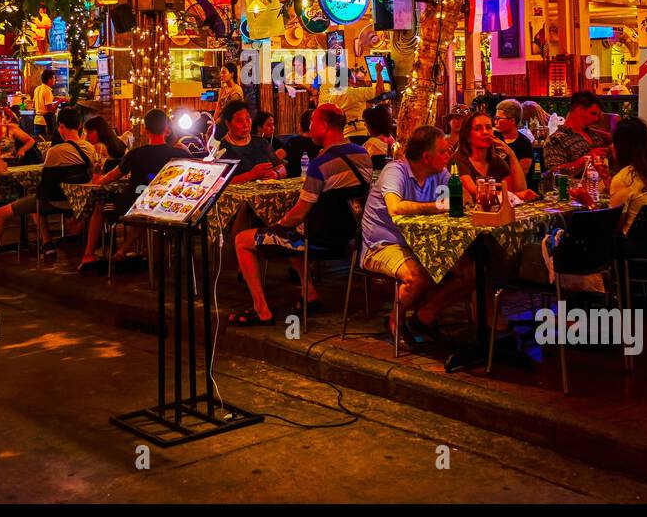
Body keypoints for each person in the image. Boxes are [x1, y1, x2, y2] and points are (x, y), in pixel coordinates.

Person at [229, 104, 372, 325]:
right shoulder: (362, 154)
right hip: (350, 235)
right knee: (291, 230)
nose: (310, 127)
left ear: (323, 126)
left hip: (318, 240)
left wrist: (276, 225)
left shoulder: (320, 164)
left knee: (243, 240)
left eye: (313, 122)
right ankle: (309, 292)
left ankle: (261, 310)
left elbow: (298, 213)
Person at [359, 125, 474, 348]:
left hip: (423, 243)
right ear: (426, 157)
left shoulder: (439, 173)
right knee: (418, 276)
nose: (448, 155)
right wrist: (438, 206)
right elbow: (395, 207)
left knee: (469, 273)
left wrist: (463, 194)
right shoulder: (396, 171)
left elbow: (465, 199)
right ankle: (395, 323)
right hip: (382, 245)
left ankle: (423, 318)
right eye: (443, 151)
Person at [0, 108, 98, 271]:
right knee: (34, 197)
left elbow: (46, 182)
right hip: (78, 201)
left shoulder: (55, 151)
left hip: (54, 201)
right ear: (80, 125)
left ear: (60, 126)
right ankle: (47, 242)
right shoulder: (90, 148)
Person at [78, 109, 187, 269]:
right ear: (166, 129)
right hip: (169, 206)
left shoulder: (135, 154)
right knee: (148, 209)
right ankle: (133, 252)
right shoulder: (179, 153)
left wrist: (97, 181)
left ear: (145, 130)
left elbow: (112, 176)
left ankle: (89, 255)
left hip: (134, 204)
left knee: (101, 206)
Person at [454, 112, 535, 204]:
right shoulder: (459, 159)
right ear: (468, 137)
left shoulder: (495, 160)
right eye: (478, 129)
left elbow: (520, 188)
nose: (485, 132)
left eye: (488, 127)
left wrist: (512, 155)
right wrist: (515, 195)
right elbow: (475, 191)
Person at [543, 91, 611, 179]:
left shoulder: (593, 134)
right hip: (575, 189)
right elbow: (554, 173)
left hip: (602, 187)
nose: (596, 119)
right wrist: (587, 158)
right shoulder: (556, 139)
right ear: (579, 110)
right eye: (593, 114)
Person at [217, 101, 284, 181]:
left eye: (248, 118)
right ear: (228, 123)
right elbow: (220, 181)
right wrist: (251, 175)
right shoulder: (221, 148)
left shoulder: (261, 142)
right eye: (240, 121)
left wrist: (276, 174)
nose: (246, 125)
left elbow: (281, 168)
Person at [320, 65, 386, 142]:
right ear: (349, 79)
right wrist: (378, 72)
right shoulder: (354, 92)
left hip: (343, 136)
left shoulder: (332, 97)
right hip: (359, 134)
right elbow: (380, 90)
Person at [492, 99, 534, 175]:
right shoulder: (494, 138)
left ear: (512, 121)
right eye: (495, 118)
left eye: (499, 119)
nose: (495, 122)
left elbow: (521, 173)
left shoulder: (524, 144)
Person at [282, 107, 322, 177]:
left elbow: (276, 157)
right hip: (316, 181)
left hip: (294, 181)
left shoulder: (294, 141)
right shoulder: (322, 143)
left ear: (300, 125)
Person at [212, 61, 244, 128]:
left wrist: (215, 125)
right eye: (221, 72)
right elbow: (218, 106)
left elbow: (228, 112)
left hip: (231, 123)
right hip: (222, 120)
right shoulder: (223, 88)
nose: (221, 75)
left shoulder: (236, 90)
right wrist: (213, 121)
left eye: (224, 72)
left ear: (231, 74)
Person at [33, 68, 59, 140]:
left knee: (38, 142)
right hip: (45, 122)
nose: (55, 80)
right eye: (54, 78)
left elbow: (33, 105)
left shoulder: (37, 89)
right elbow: (50, 109)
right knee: (46, 143)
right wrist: (60, 101)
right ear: (49, 79)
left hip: (37, 120)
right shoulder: (47, 91)